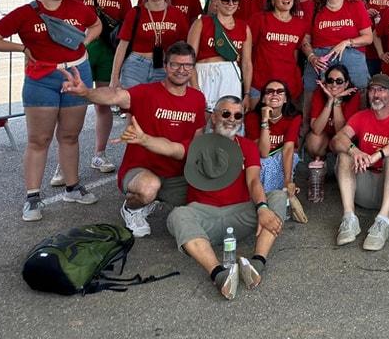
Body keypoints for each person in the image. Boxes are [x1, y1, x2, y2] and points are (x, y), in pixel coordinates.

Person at [118, 95, 286, 300]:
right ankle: (219, 274)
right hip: (204, 217)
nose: (231, 119)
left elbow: (253, 181)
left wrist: (262, 208)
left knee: (278, 197)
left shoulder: (247, 146)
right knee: (178, 215)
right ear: (214, 117)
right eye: (226, 113)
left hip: (240, 215)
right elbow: (171, 148)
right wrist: (144, 139)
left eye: (237, 115)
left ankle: (257, 263)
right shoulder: (198, 145)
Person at [0, 0, 102, 221]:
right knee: (39, 139)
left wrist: (84, 43)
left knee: (70, 135)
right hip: (41, 77)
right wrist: (22, 49)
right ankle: (32, 198)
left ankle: (72, 188)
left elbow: (96, 25)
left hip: (77, 73)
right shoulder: (25, 13)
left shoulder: (78, 8)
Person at [59, 42, 207, 237]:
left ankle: (156, 199)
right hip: (142, 169)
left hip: (176, 174)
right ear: (165, 66)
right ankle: (132, 209)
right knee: (148, 188)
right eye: (175, 64)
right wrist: (86, 93)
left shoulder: (197, 99)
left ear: (193, 68)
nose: (181, 70)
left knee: (208, 195)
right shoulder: (146, 92)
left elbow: (197, 139)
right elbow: (114, 95)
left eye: (187, 65)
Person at [330, 74, 389, 251]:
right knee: (344, 155)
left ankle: (382, 222)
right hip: (364, 187)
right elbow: (338, 139)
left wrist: (378, 155)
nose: (376, 94)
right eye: (372, 90)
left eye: (382, 90)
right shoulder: (361, 116)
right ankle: (349, 218)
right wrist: (354, 150)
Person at [71, 0, 132, 175]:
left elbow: (126, 27)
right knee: (73, 105)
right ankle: (64, 162)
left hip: (108, 52)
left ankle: (99, 153)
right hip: (83, 49)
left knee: (103, 104)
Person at [303, 0, 372, 100]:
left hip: (350, 52)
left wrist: (346, 43)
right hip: (321, 55)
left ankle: (360, 113)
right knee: (310, 86)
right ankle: (308, 114)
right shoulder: (313, 6)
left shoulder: (355, 4)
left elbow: (368, 37)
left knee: (361, 88)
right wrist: (311, 57)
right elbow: (305, 39)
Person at [111, 0, 189, 89]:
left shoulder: (176, 13)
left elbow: (183, 44)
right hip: (136, 65)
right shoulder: (135, 12)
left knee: (159, 100)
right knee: (131, 99)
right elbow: (122, 46)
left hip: (164, 65)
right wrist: (114, 77)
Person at [187, 0, 252, 113]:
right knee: (200, 117)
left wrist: (246, 93)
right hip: (203, 74)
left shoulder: (244, 27)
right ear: (215, 1)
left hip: (230, 76)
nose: (231, 3)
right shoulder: (201, 23)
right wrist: (195, 87)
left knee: (227, 118)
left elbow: (246, 63)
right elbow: (189, 59)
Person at [246, 0, 309, 109]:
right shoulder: (259, 19)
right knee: (254, 118)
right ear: (273, 0)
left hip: (289, 84)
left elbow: (295, 53)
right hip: (259, 82)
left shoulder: (301, 24)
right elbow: (246, 51)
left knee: (286, 120)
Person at [244, 79, 302, 199]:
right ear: (263, 99)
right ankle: (264, 199)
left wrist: (288, 180)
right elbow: (263, 153)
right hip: (260, 159)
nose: (275, 94)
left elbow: (288, 149)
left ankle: (282, 196)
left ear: (285, 99)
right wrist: (265, 121)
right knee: (266, 163)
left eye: (280, 91)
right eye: (269, 91)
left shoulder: (293, 117)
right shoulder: (252, 117)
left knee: (288, 158)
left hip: (281, 156)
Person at [304, 63, 360, 161]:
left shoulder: (353, 96)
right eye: (330, 80)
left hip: (342, 139)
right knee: (313, 142)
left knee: (340, 141)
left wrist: (337, 101)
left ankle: (338, 162)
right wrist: (330, 101)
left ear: (346, 84)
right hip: (324, 135)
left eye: (339, 81)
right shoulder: (319, 93)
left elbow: (341, 133)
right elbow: (317, 130)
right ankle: (321, 160)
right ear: (325, 83)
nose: (334, 85)